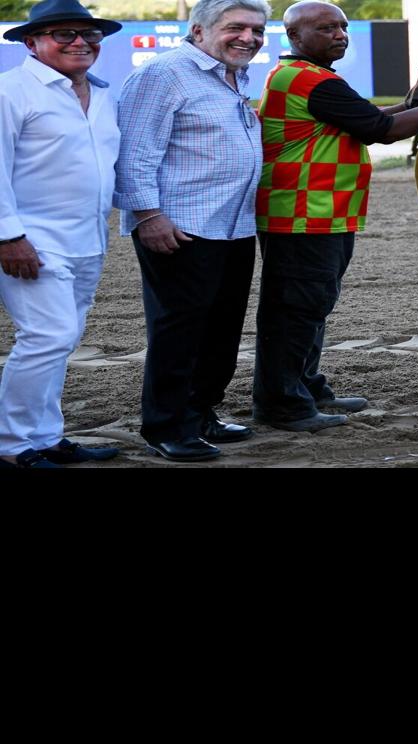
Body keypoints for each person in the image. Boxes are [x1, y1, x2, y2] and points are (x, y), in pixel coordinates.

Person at [252, 1, 418, 431]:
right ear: (295, 37)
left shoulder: (310, 78)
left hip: (320, 214)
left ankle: (307, 388)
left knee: (311, 306)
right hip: (304, 214)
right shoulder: (312, 82)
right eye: (325, 28)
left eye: (342, 27)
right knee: (298, 310)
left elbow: (373, 118)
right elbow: (382, 131)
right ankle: (282, 404)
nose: (340, 35)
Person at [114, 0, 271, 462]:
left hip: (234, 224)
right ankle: (166, 426)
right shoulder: (164, 73)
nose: (249, 37)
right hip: (180, 227)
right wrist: (147, 217)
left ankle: (201, 414)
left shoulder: (232, 75)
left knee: (220, 330)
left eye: (257, 29)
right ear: (199, 31)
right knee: (179, 331)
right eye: (236, 27)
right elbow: (134, 153)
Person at [0, 0, 124, 469]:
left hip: (89, 238)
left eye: (88, 35)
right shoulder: (10, 92)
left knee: (61, 339)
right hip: (31, 240)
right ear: (32, 43)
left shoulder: (101, 92)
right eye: (64, 34)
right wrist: (8, 237)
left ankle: (46, 437)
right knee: (47, 336)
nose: (79, 42)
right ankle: (11, 445)